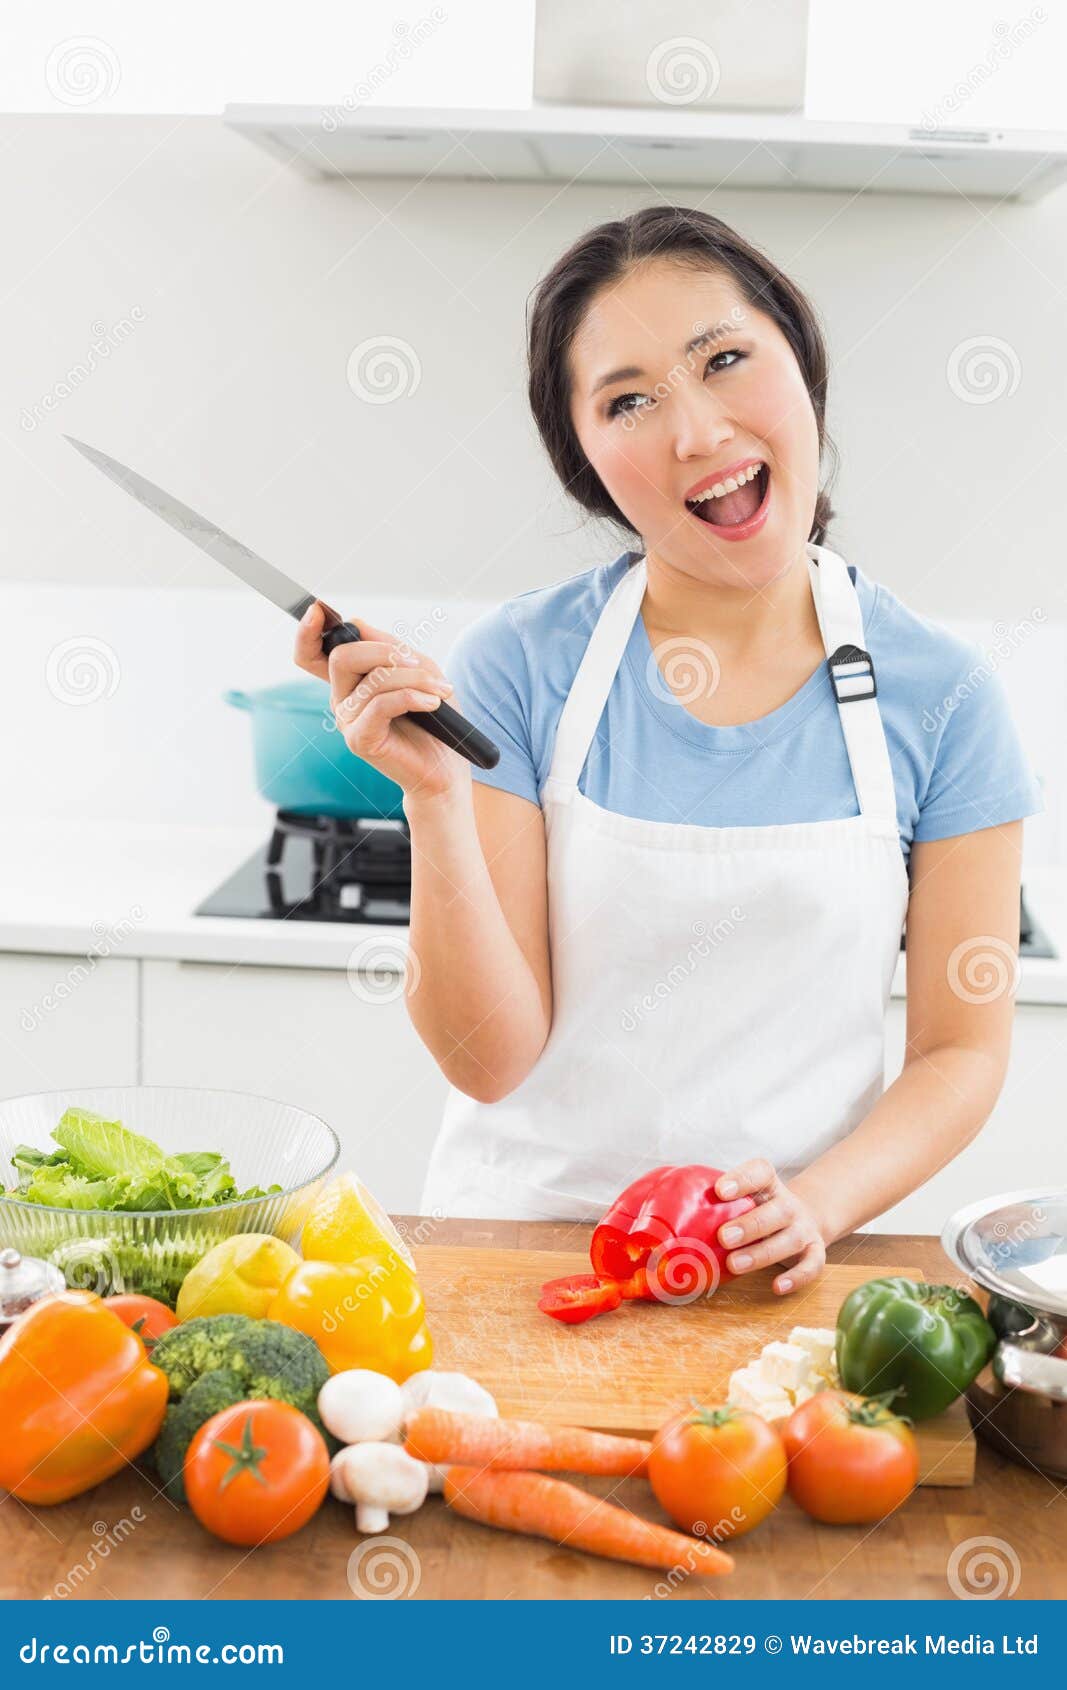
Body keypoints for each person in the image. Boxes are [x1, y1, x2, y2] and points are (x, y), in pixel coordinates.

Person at [295, 204, 1042, 1295]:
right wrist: (435, 802)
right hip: (516, 1269)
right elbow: (487, 1059)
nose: (695, 431)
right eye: (628, 399)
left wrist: (817, 1202)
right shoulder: (519, 665)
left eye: (724, 359)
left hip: (769, 1274)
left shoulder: (947, 699)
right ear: (587, 462)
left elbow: (959, 1053)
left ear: (802, 366)